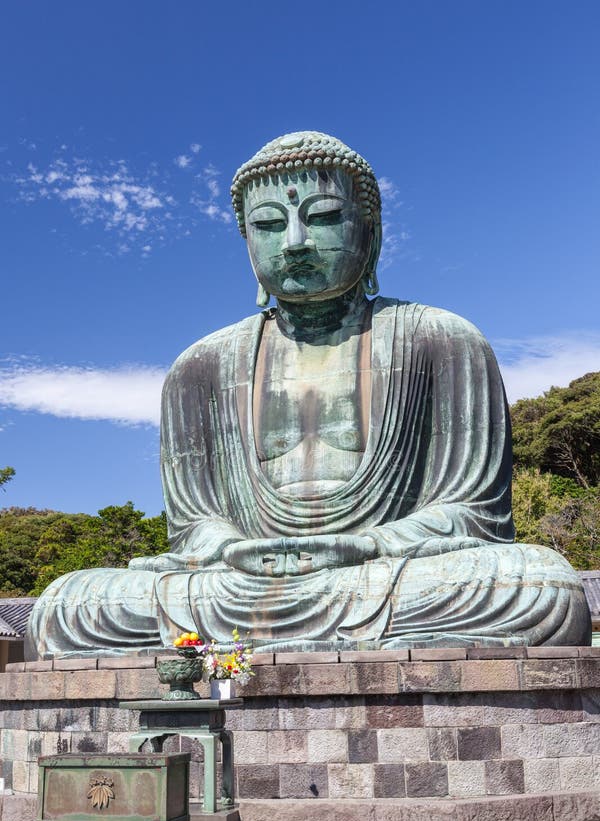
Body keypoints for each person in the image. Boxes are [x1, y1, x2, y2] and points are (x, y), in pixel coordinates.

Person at [26, 131, 590, 658]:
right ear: (248, 242)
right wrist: (228, 548)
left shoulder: (441, 339)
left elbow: (473, 514)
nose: (295, 242)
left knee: (539, 587)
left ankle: (256, 640)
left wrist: (366, 546)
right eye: (269, 225)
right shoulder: (198, 368)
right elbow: (195, 524)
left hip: (384, 572)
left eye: (322, 217)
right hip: (239, 583)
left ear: (370, 232)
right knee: (67, 607)